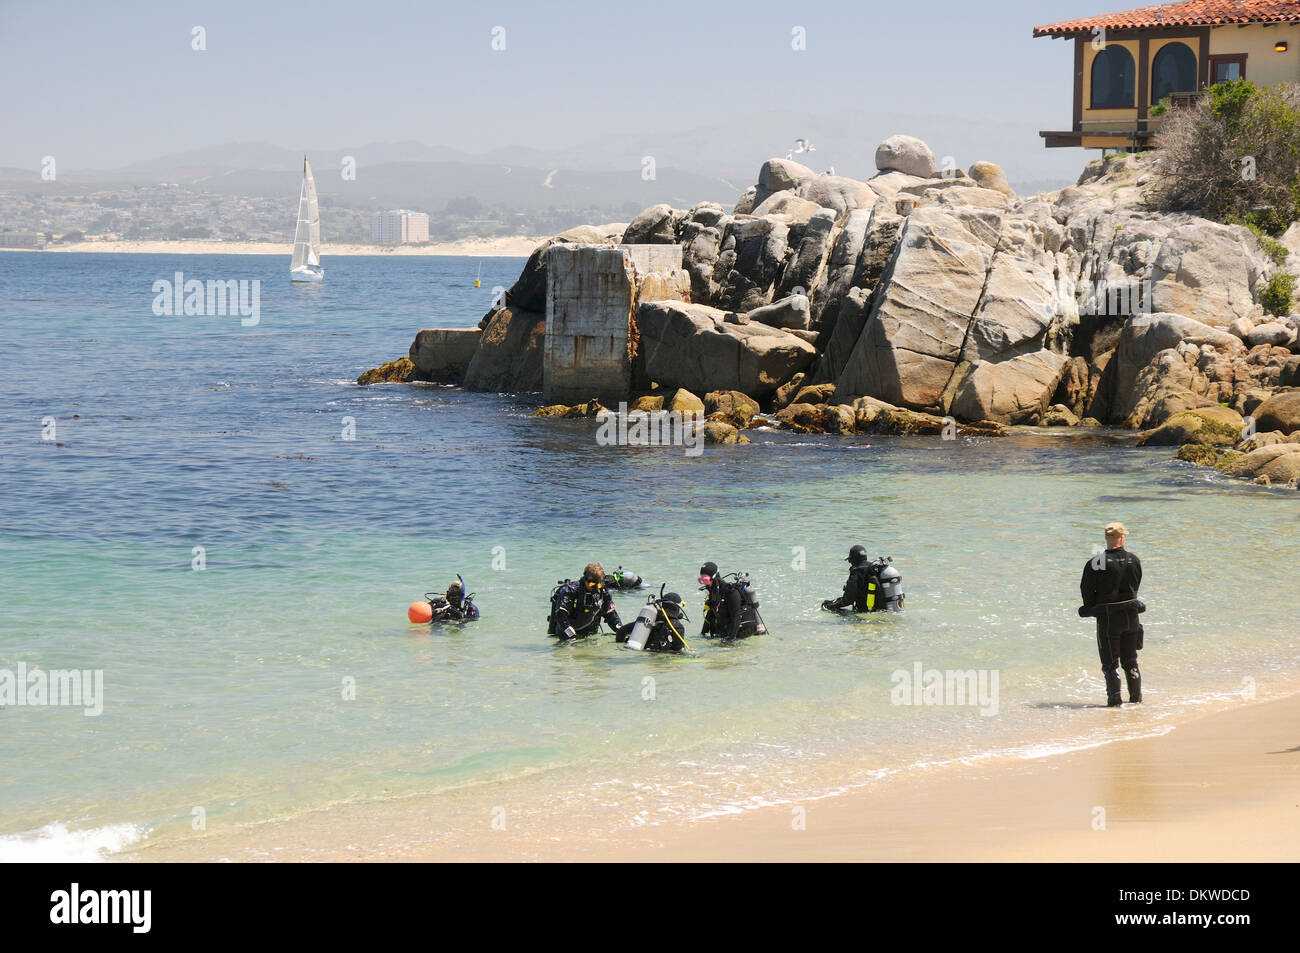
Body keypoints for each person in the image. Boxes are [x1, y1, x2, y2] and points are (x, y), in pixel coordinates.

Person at [1079, 522, 1144, 707]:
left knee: (1110, 664)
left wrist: (1090, 608)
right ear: (1123, 538)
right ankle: (1136, 700)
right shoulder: (1134, 559)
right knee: (1131, 660)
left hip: (1108, 619)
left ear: (1107, 538)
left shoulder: (1095, 563)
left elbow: (1086, 591)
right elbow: (1135, 587)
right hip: (1132, 616)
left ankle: (1115, 703)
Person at [548, 563, 623, 640]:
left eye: (599, 585)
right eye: (592, 584)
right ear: (585, 579)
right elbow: (560, 615)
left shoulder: (602, 592)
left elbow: (611, 617)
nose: (596, 588)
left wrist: (622, 632)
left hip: (590, 635)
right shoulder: (571, 591)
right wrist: (571, 635)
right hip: (568, 635)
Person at [698, 562, 764, 639]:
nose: (704, 583)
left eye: (705, 580)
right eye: (701, 580)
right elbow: (710, 614)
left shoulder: (730, 592)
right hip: (727, 630)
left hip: (742, 630)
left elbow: (736, 616)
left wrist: (730, 640)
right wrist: (703, 634)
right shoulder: (713, 592)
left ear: (714, 576)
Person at [615, 592, 690, 652]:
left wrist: (618, 645)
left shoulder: (649, 618)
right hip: (660, 663)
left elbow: (621, 631)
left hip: (641, 656)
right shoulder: (677, 626)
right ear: (677, 607)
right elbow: (679, 651)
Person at [822, 545, 874, 612]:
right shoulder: (874, 568)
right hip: (882, 608)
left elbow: (848, 600)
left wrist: (830, 605)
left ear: (853, 559)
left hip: (865, 612)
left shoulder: (857, 572)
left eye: (850, 560)